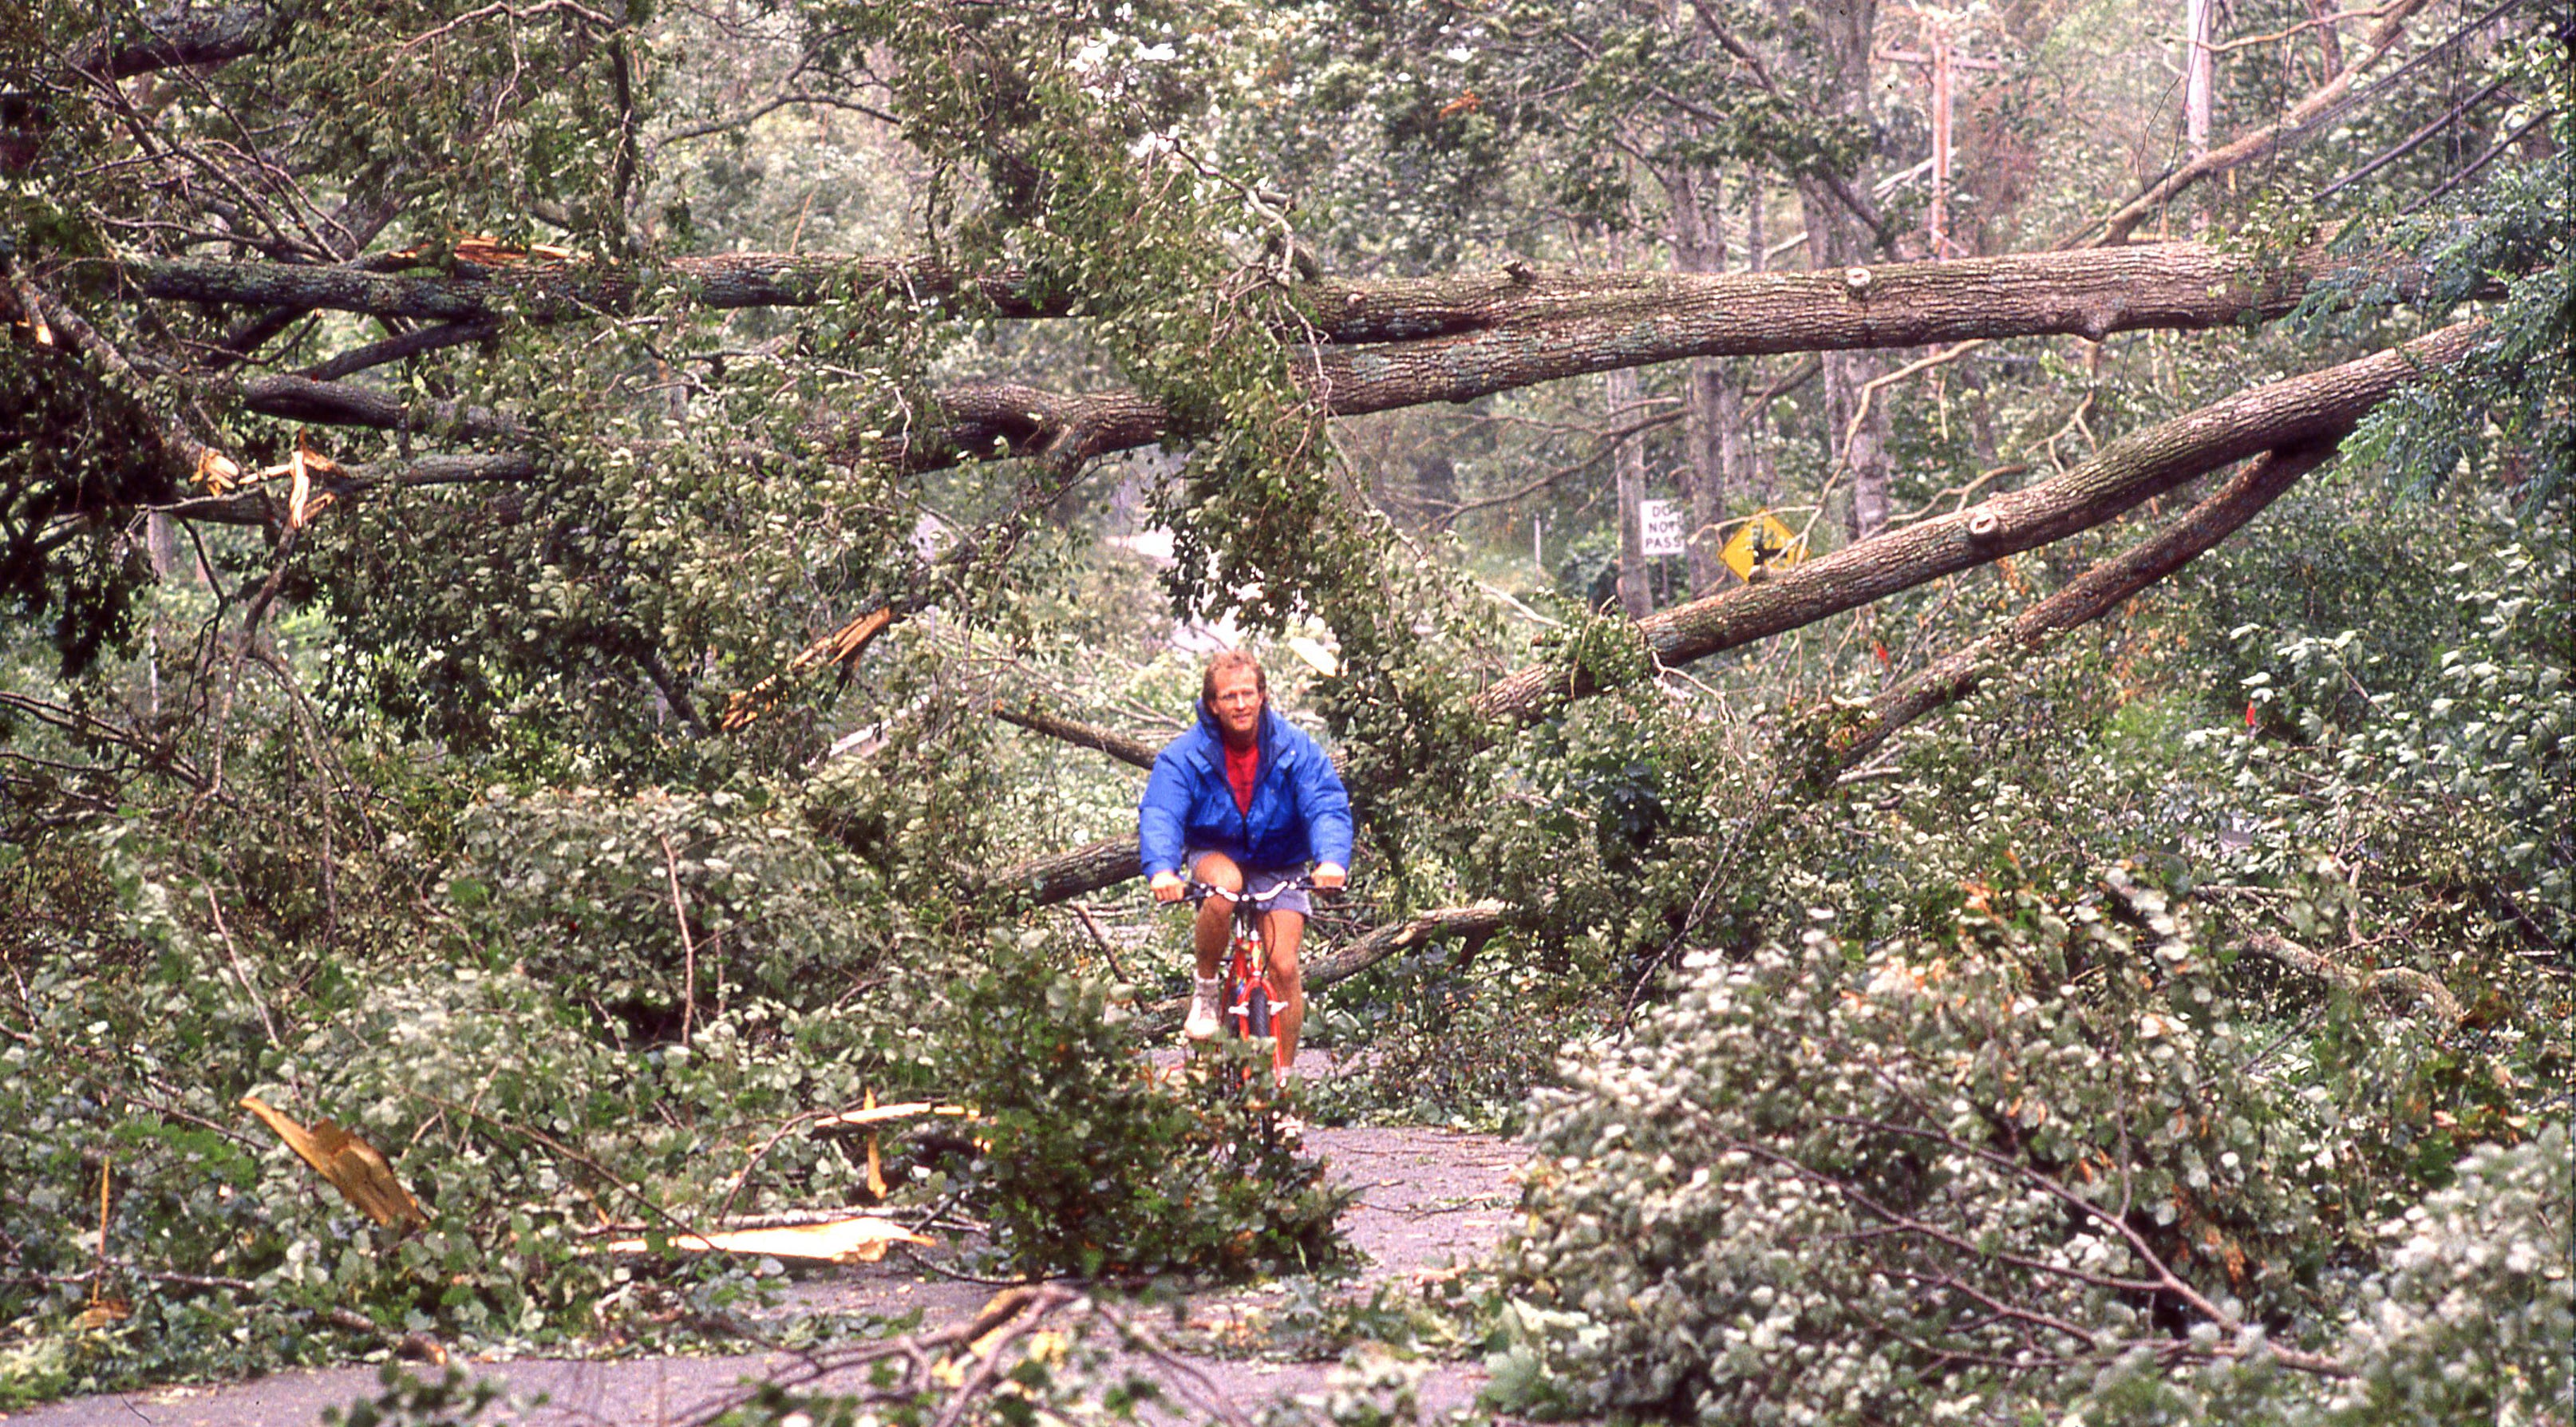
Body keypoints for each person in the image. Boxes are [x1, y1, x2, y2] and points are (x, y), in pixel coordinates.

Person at [1138, 650, 1352, 1074]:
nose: (1240, 704)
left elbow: (1325, 804)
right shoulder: (1184, 755)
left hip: (1279, 859)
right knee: (1225, 888)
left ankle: (1283, 1081)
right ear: (1213, 704)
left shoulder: (1295, 746)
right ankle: (1205, 992)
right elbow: (1162, 811)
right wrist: (1163, 870)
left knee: (1284, 966)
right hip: (1216, 851)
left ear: (1262, 695)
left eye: (1247, 694)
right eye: (1229, 696)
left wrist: (1330, 860)